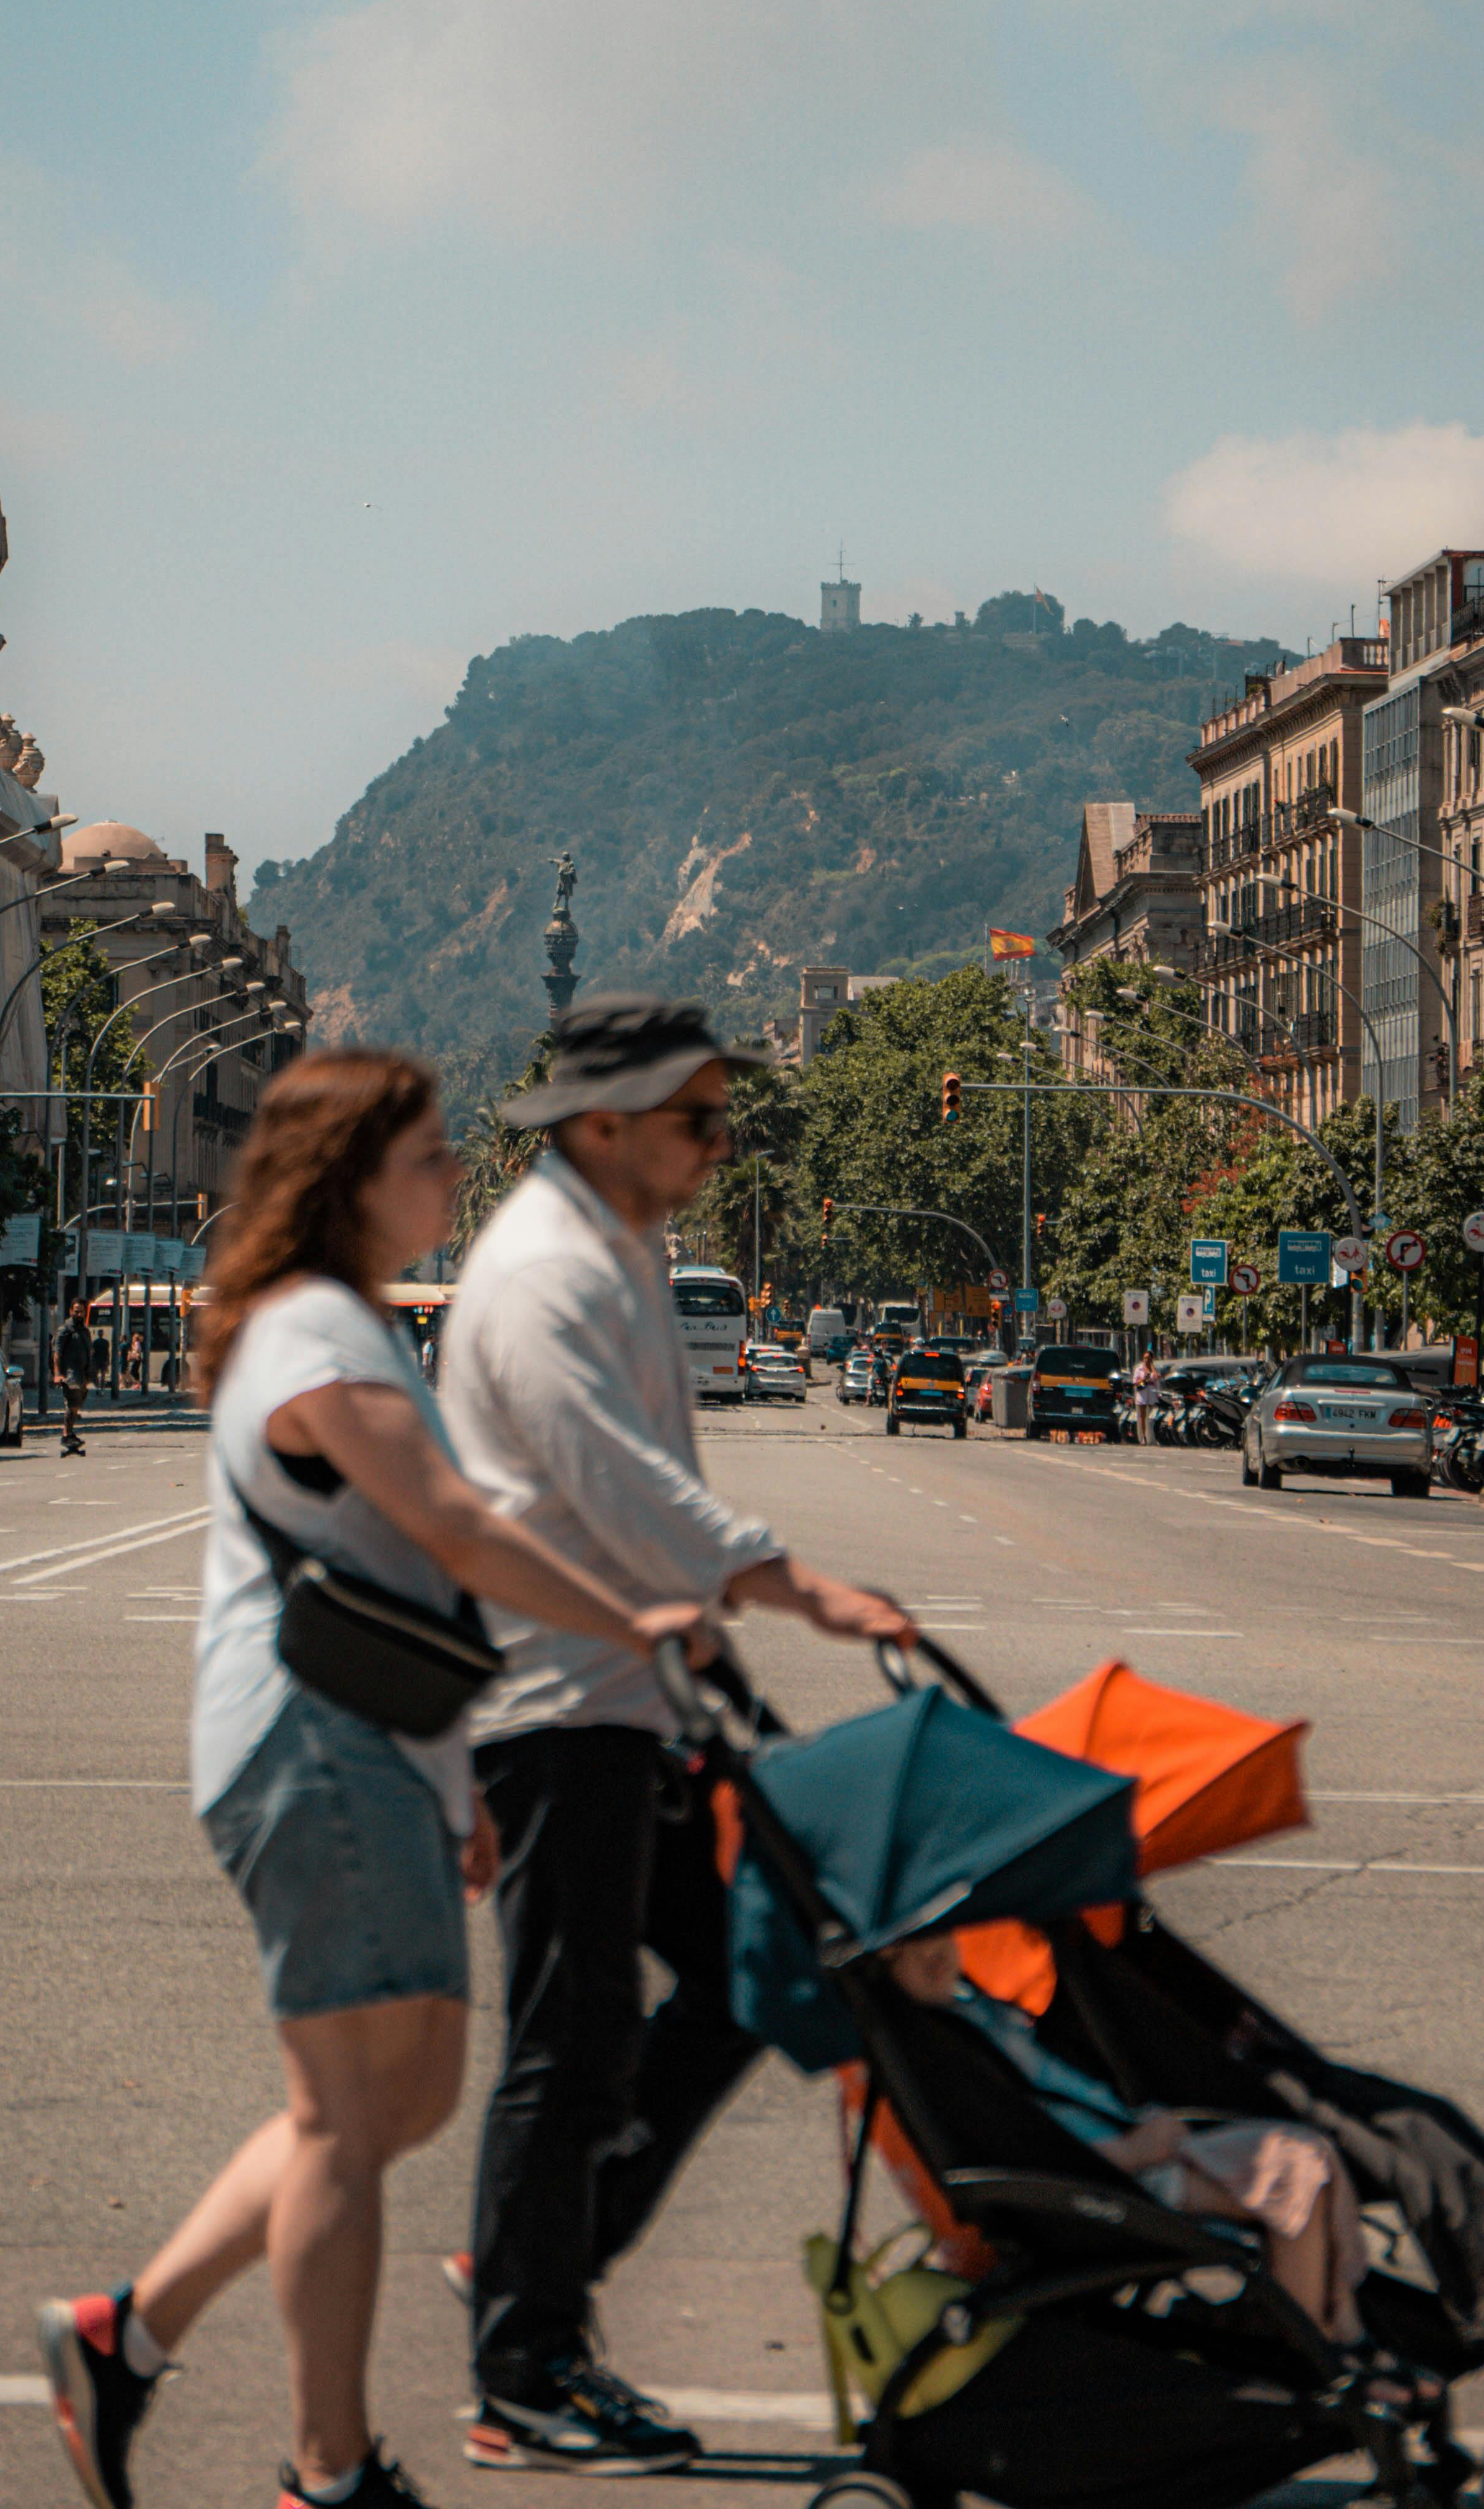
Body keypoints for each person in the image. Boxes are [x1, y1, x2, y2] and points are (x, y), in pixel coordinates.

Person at [37, 1049, 712, 2509]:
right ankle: (329, 2470)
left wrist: (457, 1781)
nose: (455, 1171)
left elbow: (404, 1574)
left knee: (402, 2093)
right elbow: (455, 1526)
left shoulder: (346, 1325)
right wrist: (637, 1611)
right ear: (347, 1174)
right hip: (308, 1738)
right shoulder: (314, 1331)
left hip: (373, 1744)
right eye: (427, 1152)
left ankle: (122, 2330)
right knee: (352, 2109)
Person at [439, 994, 918, 2474]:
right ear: (603, 1123)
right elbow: (612, 1477)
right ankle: (526, 2358)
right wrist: (782, 1578)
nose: (721, 1144)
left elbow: (643, 1475)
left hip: (637, 1692)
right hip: (555, 1704)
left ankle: (542, 2252)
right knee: (567, 2039)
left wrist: (710, 1640)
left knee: (749, 1970)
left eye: (724, 1117)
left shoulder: (621, 1246)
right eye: (697, 1118)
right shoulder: (536, 1273)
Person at [884, 1933, 1366, 2340]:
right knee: (1294, 2169)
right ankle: (1318, 2346)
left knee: (1304, 2154)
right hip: (1106, 2182)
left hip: (1130, 2153)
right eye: (903, 1952)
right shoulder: (939, 2056)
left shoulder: (972, 2010)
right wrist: (1136, 2151)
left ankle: (1331, 2328)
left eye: (934, 1935)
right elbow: (1028, 2151)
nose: (931, 1953)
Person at [52, 1299, 92, 1457]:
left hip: (82, 1374)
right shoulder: (65, 1330)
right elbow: (57, 1354)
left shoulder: (84, 1331)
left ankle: (69, 1432)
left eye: (81, 1311)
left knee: (76, 1405)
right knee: (72, 1403)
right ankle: (66, 1433)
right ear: (71, 1311)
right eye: (76, 1311)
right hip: (70, 1374)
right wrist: (57, 1374)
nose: (79, 1314)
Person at [1131, 1349, 1159, 1445]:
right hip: (1142, 1392)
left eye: (1149, 1358)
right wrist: (1144, 1379)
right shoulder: (1139, 1369)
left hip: (1151, 1392)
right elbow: (1135, 1382)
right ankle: (1143, 1437)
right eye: (1145, 1358)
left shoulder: (1153, 1369)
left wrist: (1152, 1368)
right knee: (1142, 1416)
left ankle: (1154, 1436)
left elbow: (1156, 1378)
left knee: (1152, 1415)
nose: (1147, 1360)